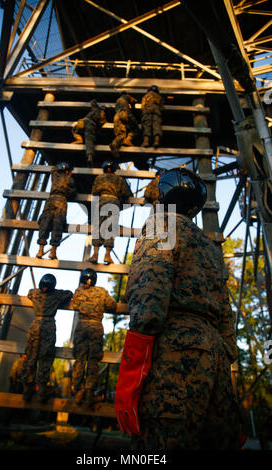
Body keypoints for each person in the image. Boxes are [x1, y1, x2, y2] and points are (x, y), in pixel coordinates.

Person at [115, 167, 241, 450]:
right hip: (216, 357)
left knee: (162, 440)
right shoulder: (210, 247)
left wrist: (136, 356)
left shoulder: (162, 225)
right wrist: (221, 355)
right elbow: (225, 312)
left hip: (173, 351)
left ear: (161, 195)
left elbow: (150, 296)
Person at [21, 274, 73, 403]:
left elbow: (29, 292)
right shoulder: (56, 295)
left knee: (31, 356)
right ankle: (42, 391)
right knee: (46, 358)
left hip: (36, 325)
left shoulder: (34, 293)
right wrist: (53, 292)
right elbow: (69, 293)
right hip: (49, 326)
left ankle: (27, 389)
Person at [71, 268, 117, 407]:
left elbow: (75, 305)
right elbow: (112, 305)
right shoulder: (102, 291)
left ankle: (77, 391)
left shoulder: (79, 292)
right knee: (93, 360)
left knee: (79, 359)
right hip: (96, 327)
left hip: (82, 327)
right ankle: (89, 392)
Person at [88, 160, 133, 265]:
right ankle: (107, 255)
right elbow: (127, 194)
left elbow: (94, 192)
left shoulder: (99, 178)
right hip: (114, 201)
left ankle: (95, 254)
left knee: (98, 227)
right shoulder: (119, 179)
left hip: (101, 202)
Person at [36, 162, 77, 260]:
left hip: (50, 200)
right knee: (57, 225)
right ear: (67, 171)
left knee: (45, 223)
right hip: (61, 201)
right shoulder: (69, 179)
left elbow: (53, 169)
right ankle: (53, 252)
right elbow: (73, 193)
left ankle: (40, 250)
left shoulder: (55, 176)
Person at [71, 99, 107, 167]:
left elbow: (93, 103)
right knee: (89, 141)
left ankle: (79, 139)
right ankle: (90, 156)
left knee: (74, 130)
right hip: (91, 125)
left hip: (83, 122)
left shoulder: (95, 109)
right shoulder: (102, 114)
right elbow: (101, 123)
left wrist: (94, 101)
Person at [110, 92, 139, 158]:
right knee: (135, 128)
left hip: (117, 116)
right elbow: (134, 101)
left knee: (121, 133)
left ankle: (114, 143)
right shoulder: (127, 96)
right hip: (124, 113)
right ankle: (128, 139)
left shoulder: (118, 100)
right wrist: (133, 107)